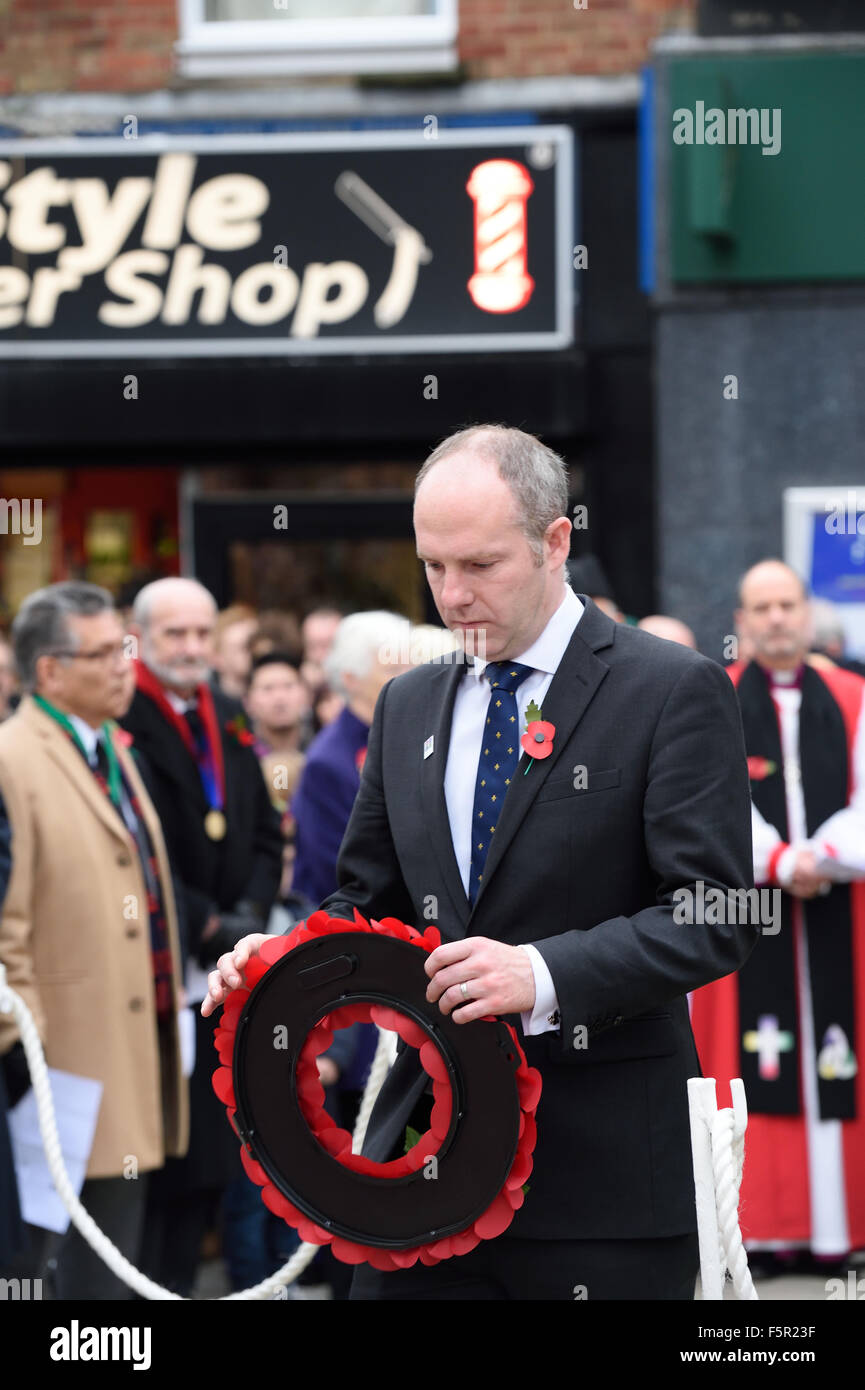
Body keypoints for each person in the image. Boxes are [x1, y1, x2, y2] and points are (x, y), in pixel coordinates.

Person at [204, 424, 755, 1302]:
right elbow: (365, 901)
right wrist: (281, 966)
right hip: (422, 1175)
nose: (452, 597)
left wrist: (538, 973)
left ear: (555, 542)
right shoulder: (409, 703)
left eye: (480, 566)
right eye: (432, 568)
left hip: (602, 1185)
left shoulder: (669, 689)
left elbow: (716, 913)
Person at [0, 582, 188, 1299]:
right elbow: (6, 931)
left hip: (125, 1059)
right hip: (55, 1075)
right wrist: (27, 1058)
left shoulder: (111, 746)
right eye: (105, 652)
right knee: (43, 1274)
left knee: (109, 1271)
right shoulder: (12, 759)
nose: (124, 667)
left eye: (124, 649)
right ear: (49, 671)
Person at [691, 559, 865, 1270]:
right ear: (739, 622)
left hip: (839, 911)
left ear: (806, 611)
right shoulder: (713, 700)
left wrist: (820, 857)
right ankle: (759, 1232)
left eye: (785, 604)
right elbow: (710, 804)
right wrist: (775, 863)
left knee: (837, 1055)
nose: (773, 619)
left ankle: (840, 1231)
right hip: (750, 911)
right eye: (758, 608)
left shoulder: (853, 695)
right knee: (752, 1059)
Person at [121, 577, 283, 1295]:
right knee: (160, 1168)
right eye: (174, 636)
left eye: (200, 634)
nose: (190, 649)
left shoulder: (225, 712)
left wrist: (250, 904)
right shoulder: (123, 715)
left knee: (209, 1164)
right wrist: (207, 923)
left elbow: (257, 827)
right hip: (163, 960)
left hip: (225, 962)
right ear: (141, 637)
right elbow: (135, 848)